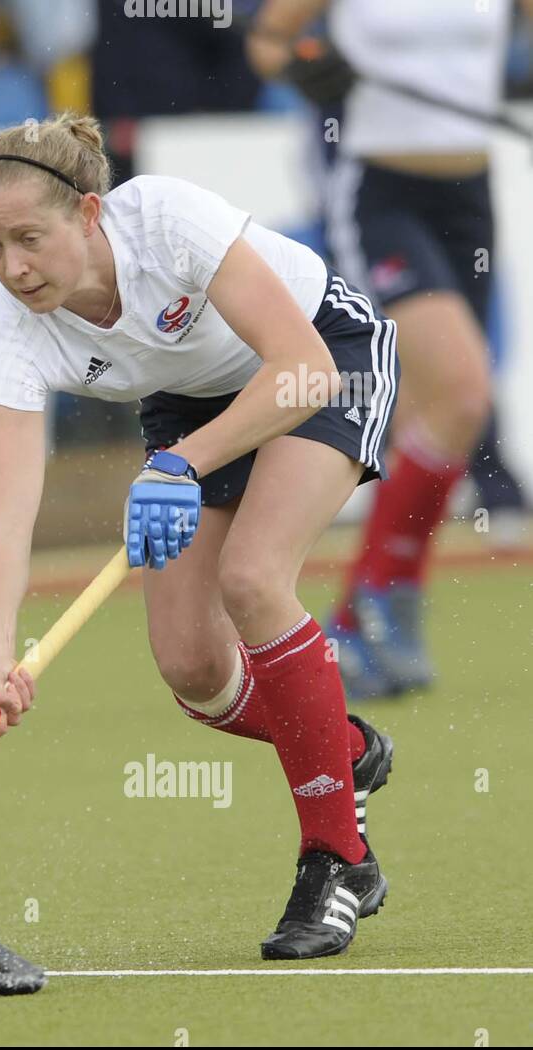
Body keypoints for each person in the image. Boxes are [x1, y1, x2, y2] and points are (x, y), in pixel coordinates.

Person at [0, 112, 396, 959]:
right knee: (192, 665)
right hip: (190, 406)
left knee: (253, 578)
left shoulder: (162, 218)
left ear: (88, 214)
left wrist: (181, 465)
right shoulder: (15, 336)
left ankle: (337, 857)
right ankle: (343, 750)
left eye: (28, 238)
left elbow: (301, 369)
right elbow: (6, 514)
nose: (13, 268)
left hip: (320, 355)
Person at [247, 0, 533, 697]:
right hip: (379, 192)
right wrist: (303, 65)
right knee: (464, 392)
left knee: (430, 416)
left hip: (470, 191)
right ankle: (378, 608)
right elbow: (266, 39)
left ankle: (356, 622)